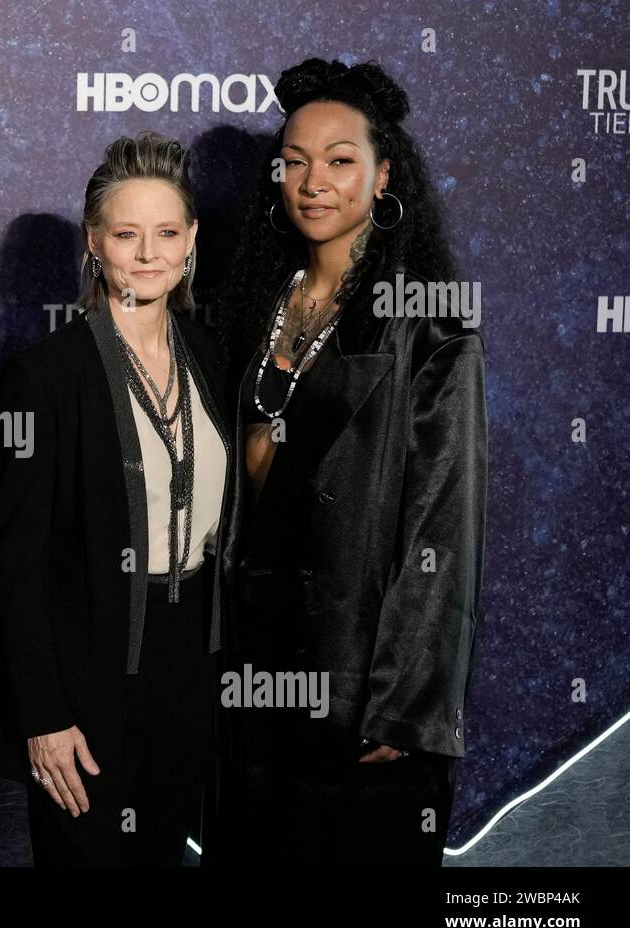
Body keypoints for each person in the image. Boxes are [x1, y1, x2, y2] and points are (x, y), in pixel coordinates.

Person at [208, 58, 488, 867]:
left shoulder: (428, 322)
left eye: (339, 160)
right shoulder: (259, 301)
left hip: (359, 693)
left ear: (383, 173)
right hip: (252, 677)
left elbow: (445, 524)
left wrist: (405, 705)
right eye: (294, 161)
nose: (313, 182)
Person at [0, 132, 232, 865]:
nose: (148, 253)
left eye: (167, 233)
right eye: (127, 234)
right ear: (94, 242)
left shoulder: (213, 356)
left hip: (190, 670)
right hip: (86, 676)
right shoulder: (46, 376)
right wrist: (42, 717)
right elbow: (16, 567)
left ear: (192, 240)